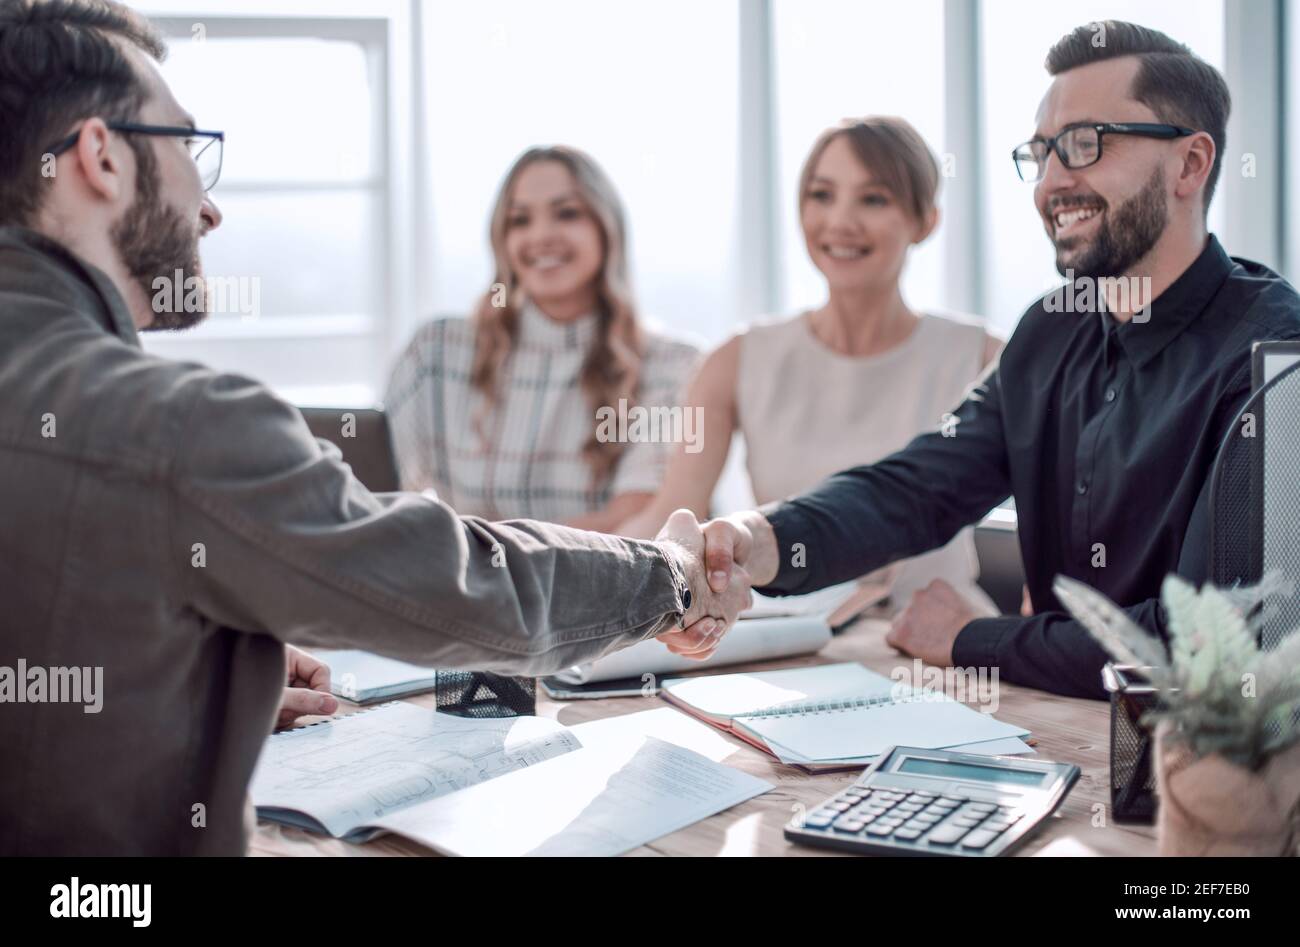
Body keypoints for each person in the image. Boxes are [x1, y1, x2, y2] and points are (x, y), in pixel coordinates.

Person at [0, 0, 744, 856]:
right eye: (186, 150)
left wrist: (182, 695)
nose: (210, 210)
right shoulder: (179, 428)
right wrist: (672, 578)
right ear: (101, 157)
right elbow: (456, 579)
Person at [686, 20, 1300, 699]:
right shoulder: (1049, 332)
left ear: (1190, 164)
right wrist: (755, 538)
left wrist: (968, 637)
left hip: (1199, 781)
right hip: (1044, 731)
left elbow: (1214, 649)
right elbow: (915, 488)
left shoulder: (1274, 359)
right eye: (1042, 154)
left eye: (1084, 144)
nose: (1051, 184)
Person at [621, 117, 1001, 615]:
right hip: (788, 641)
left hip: (944, 641)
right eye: (822, 195)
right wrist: (557, 566)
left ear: (925, 220)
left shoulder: (984, 358)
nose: (841, 221)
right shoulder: (736, 359)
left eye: (874, 199)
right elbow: (667, 515)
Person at [386, 146, 701, 532]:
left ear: (607, 229)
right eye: (519, 220)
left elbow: (637, 524)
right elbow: (382, 500)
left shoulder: (672, 364)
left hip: (597, 590)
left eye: (567, 213)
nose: (541, 236)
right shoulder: (436, 351)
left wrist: (476, 550)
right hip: (458, 589)